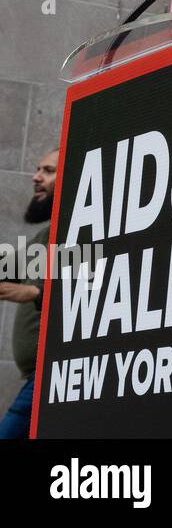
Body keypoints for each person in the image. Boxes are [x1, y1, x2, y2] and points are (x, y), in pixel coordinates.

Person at [0, 149, 57, 439]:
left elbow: (91, 289)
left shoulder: (82, 233)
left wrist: (35, 292)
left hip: (53, 373)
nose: (36, 177)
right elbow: (5, 267)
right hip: (37, 377)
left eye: (48, 171)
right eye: (38, 169)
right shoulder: (45, 237)